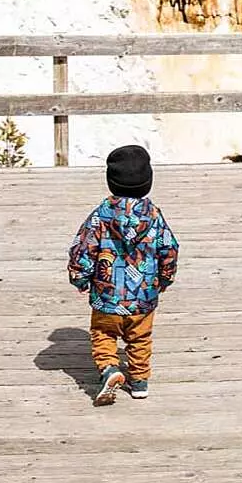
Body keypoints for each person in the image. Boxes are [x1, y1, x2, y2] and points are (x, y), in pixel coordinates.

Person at [68, 145, 180, 406]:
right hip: (143, 297)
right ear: (148, 182)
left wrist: (80, 278)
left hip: (107, 296)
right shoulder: (153, 216)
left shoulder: (100, 216)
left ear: (111, 182)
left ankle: (110, 368)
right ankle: (139, 382)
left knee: (103, 334)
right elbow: (169, 247)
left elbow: (82, 248)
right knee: (140, 338)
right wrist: (165, 278)